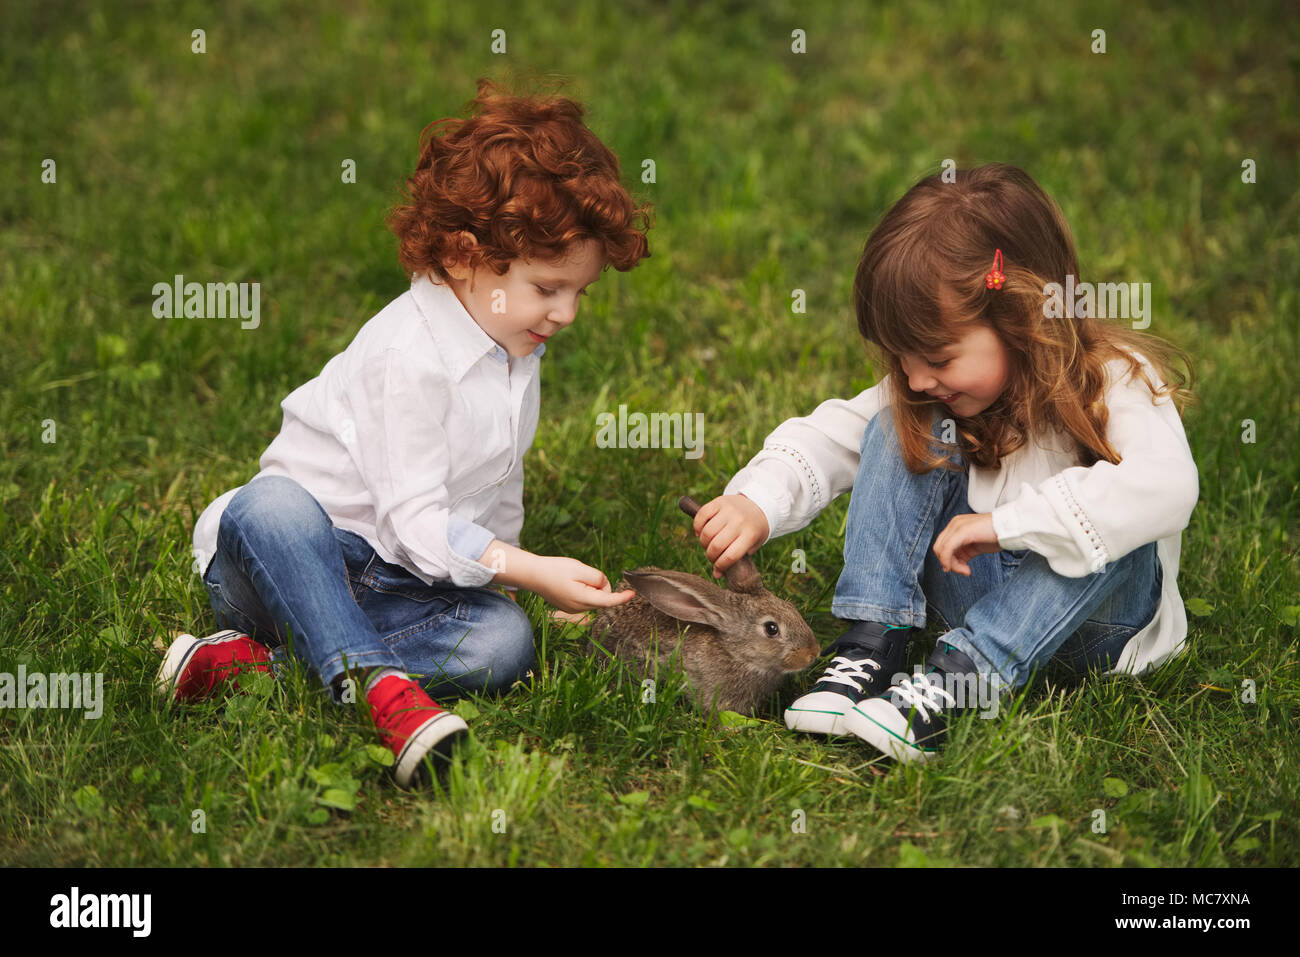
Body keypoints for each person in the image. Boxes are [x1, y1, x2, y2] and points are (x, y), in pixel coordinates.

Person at [157, 81, 651, 787]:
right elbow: (418, 522)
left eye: (582, 292)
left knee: (504, 642)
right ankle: (386, 696)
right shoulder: (408, 356)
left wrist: (512, 588)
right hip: (286, 561)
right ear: (461, 256)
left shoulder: (515, 346)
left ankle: (262, 663)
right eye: (548, 288)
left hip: (393, 582)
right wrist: (528, 567)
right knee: (271, 504)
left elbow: (495, 485)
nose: (566, 313)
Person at [693, 163, 1198, 764]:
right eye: (901, 357)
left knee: (1106, 528)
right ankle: (875, 644)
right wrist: (759, 499)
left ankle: (960, 678)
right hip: (969, 597)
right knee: (896, 425)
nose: (914, 376)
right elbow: (832, 435)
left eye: (935, 356)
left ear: (1025, 317)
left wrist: (1006, 527)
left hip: (1096, 633)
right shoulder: (932, 391)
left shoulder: (1114, 381)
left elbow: (1168, 488)